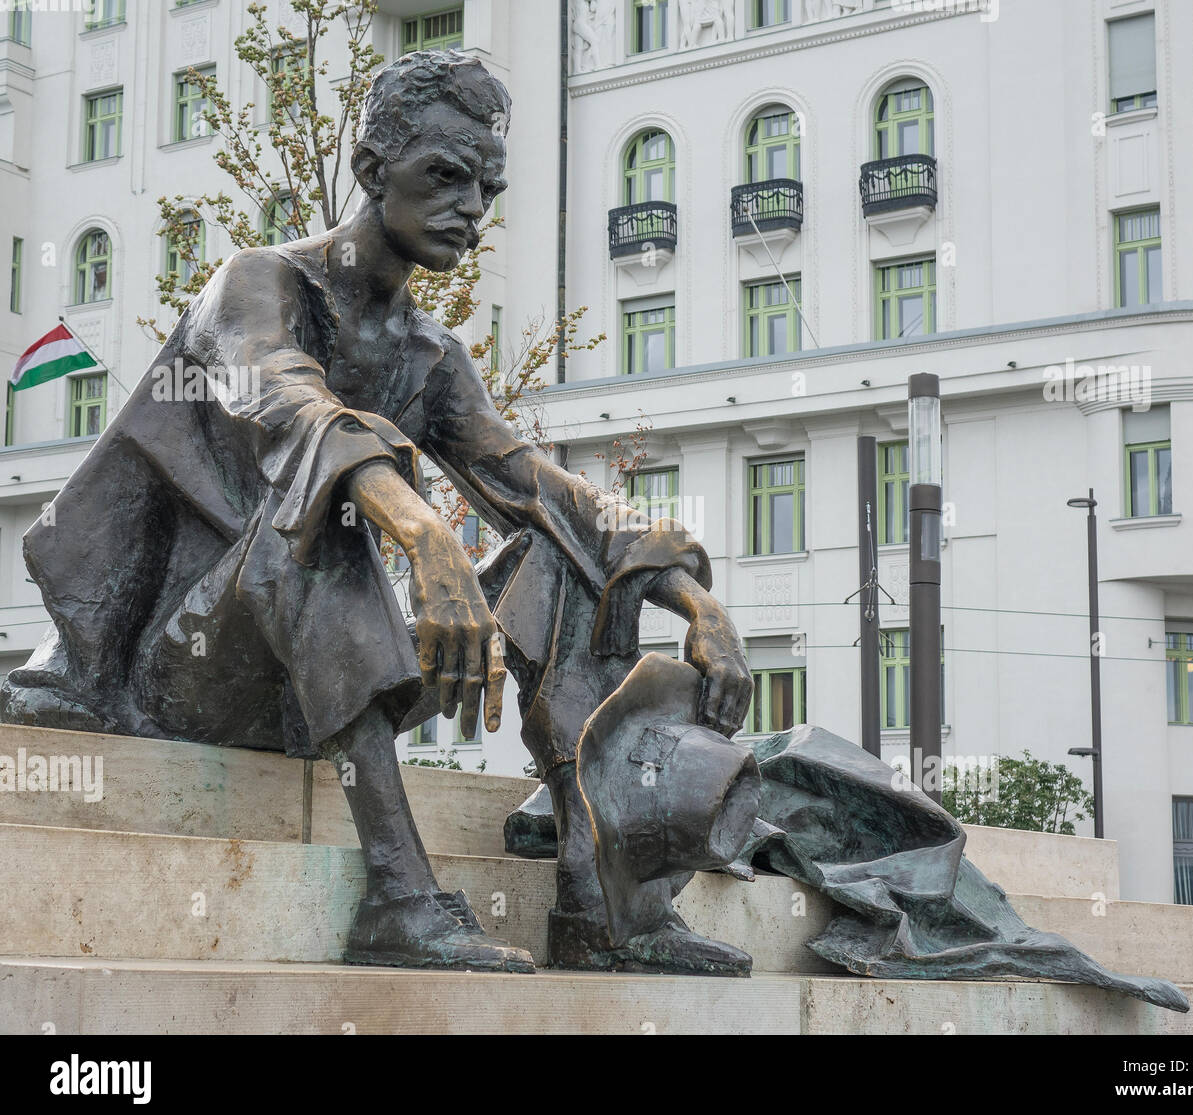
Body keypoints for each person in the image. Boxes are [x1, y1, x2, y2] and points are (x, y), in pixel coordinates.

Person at [3, 50, 752, 973]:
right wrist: (421, 527)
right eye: (444, 176)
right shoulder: (258, 282)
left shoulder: (430, 355)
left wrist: (693, 598)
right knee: (324, 517)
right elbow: (286, 402)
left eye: (486, 187)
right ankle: (400, 896)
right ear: (369, 171)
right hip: (181, 668)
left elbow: (543, 488)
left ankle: (601, 904)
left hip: (308, 683)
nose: (471, 208)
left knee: (553, 555)